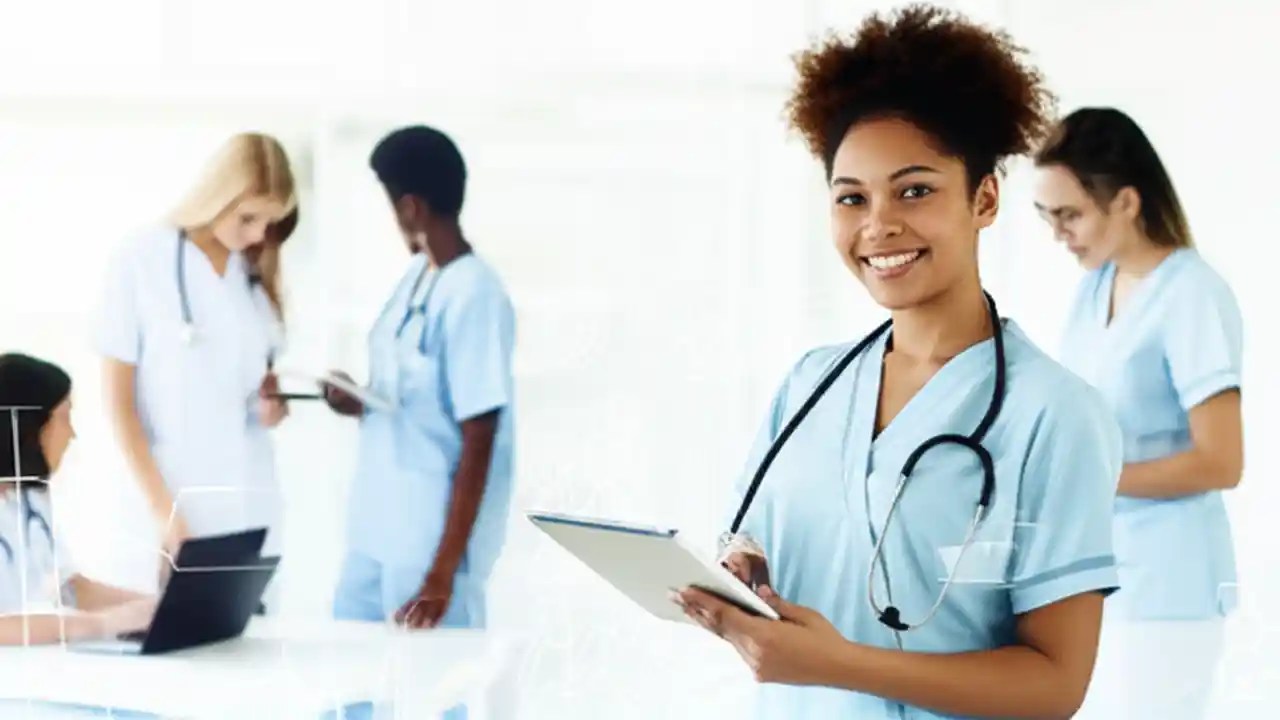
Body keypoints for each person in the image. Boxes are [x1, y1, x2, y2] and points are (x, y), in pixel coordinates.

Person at [673, 6, 1125, 719]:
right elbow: (756, 531)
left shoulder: (1055, 414)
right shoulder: (812, 384)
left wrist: (839, 664)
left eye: (915, 190)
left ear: (984, 198)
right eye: (851, 197)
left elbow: (1057, 685)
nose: (878, 224)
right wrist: (743, 569)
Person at [1032, 107, 1243, 719]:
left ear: (1126, 202)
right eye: (1048, 217)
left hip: (1169, 588)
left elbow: (1222, 461)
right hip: (1101, 577)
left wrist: (1093, 480)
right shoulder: (1096, 286)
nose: (1059, 233)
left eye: (1070, 215)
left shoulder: (1192, 294)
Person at [323, 126, 515, 720]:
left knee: (431, 699)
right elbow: (411, 397)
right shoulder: (418, 277)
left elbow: (480, 437)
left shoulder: (475, 292)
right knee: (347, 687)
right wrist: (355, 399)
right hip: (377, 527)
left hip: (427, 541)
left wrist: (440, 573)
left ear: (410, 205)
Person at [96, 132, 299, 605]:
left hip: (248, 507)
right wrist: (166, 515)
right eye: (248, 218)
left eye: (269, 222)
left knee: (246, 661)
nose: (257, 235)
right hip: (168, 505)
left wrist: (271, 407)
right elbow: (119, 408)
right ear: (215, 196)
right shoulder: (141, 257)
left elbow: (245, 393)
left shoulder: (249, 273)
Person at [0, 353, 158, 717]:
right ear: (28, 427)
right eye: (64, 418)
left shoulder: (30, 498)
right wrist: (98, 624)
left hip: (38, 677)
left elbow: (71, 588)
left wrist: (159, 607)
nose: (72, 434)